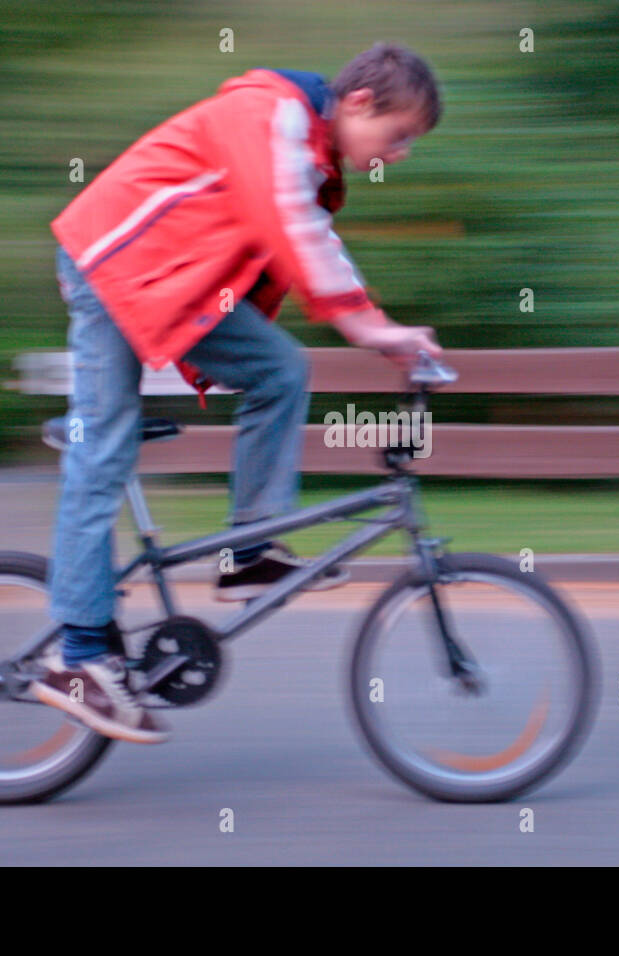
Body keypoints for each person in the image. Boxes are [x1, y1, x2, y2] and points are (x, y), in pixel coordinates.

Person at [32, 43, 444, 743]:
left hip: (173, 284)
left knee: (282, 371)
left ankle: (248, 550)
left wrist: (385, 329)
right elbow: (287, 221)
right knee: (101, 455)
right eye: (399, 135)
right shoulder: (270, 114)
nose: (400, 154)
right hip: (110, 269)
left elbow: (314, 235)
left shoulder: (310, 152)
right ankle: (77, 660)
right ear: (360, 103)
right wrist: (368, 328)